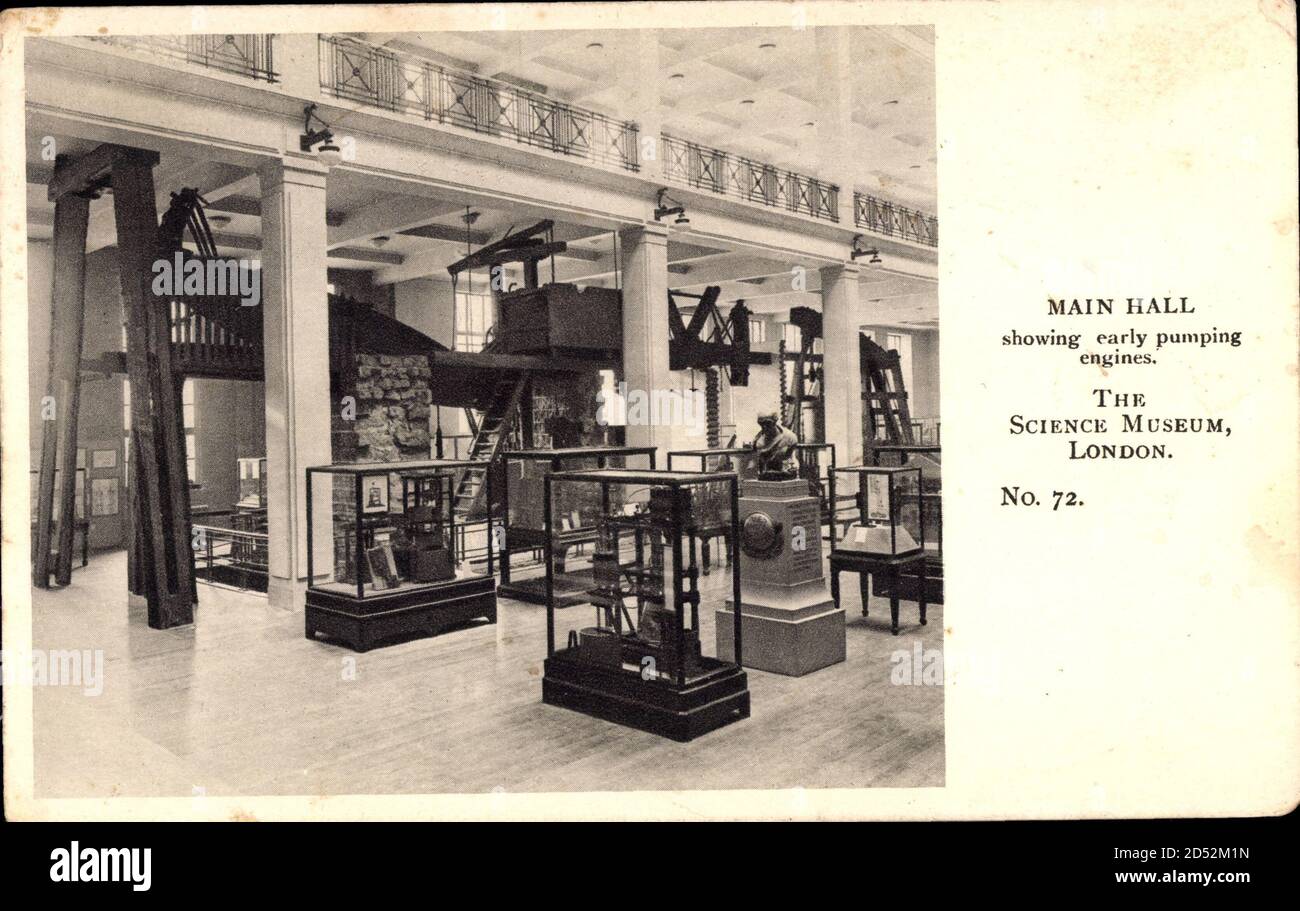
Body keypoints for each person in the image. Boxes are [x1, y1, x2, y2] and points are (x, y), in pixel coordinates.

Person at [752, 412, 798, 479]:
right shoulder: (758, 441)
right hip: (766, 477)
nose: (764, 427)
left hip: (786, 475)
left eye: (768, 423)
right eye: (761, 424)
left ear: (775, 422)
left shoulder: (790, 437)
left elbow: (791, 457)